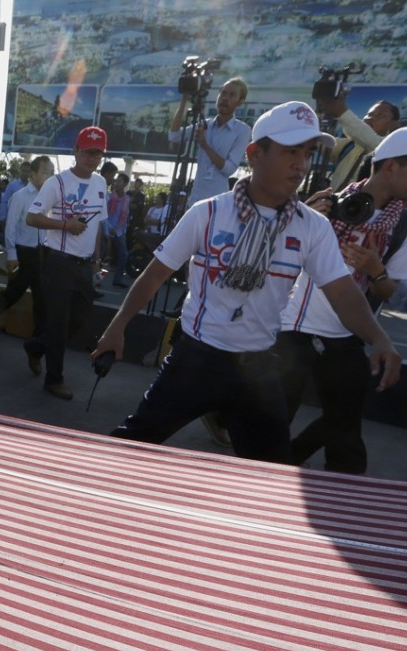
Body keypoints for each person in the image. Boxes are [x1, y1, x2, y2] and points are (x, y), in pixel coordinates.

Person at [93, 101, 401, 464]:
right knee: (126, 451)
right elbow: (154, 275)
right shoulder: (207, 213)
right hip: (197, 357)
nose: (301, 164)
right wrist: (116, 328)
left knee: (271, 474)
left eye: (307, 152)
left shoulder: (312, 226)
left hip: (259, 367)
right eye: (290, 152)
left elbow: (342, 291)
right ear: (255, 154)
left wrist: (379, 337)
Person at [276, 127, 407, 474]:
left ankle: (336, 501)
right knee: (269, 424)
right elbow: (278, 255)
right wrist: (301, 216)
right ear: (391, 165)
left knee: (346, 439)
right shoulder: (329, 200)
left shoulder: (402, 225)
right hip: (290, 326)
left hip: (347, 334)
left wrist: (376, 271)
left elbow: (393, 293)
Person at [23, 126, 110, 400]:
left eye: (97, 153)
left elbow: (97, 225)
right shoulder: (56, 183)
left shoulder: (101, 183)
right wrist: (65, 225)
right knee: (59, 325)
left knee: (80, 321)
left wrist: (96, 260)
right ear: (76, 151)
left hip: (84, 265)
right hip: (58, 261)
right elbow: (32, 217)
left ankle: (37, 347)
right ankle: (54, 378)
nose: (92, 158)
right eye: (87, 152)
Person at [0, 155, 55, 339]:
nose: (48, 176)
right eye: (45, 172)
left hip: (43, 253)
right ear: (33, 174)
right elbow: (11, 227)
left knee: (42, 298)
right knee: (13, 293)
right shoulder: (20, 196)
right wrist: (12, 254)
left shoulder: (51, 197)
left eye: (51, 173)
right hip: (23, 253)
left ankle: (37, 342)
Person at [167, 78, 252, 206]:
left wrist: (205, 145)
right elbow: (174, 136)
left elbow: (229, 169)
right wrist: (184, 100)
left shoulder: (242, 130)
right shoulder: (205, 124)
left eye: (232, 95)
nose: (225, 98)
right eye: (223, 93)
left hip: (217, 202)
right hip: (195, 200)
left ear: (240, 102)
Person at [317, 95, 399, 192]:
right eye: (369, 114)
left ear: (393, 124)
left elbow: (375, 143)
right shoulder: (349, 146)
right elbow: (315, 141)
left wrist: (341, 112)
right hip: (334, 204)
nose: (371, 118)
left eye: (381, 115)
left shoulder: (393, 150)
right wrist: (319, 113)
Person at [106, 173, 131, 287]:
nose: (116, 183)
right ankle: (94, 281)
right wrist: (109, 227)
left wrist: (122, 230)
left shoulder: (127, 199)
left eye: (120, 181)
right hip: (107, 229)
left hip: (120, 232)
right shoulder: (109, 197)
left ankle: (117, 279)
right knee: (100, 255)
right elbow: (104, 215)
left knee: (123, 255)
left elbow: (125, 216)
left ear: (125, 184)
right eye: (116, 181)